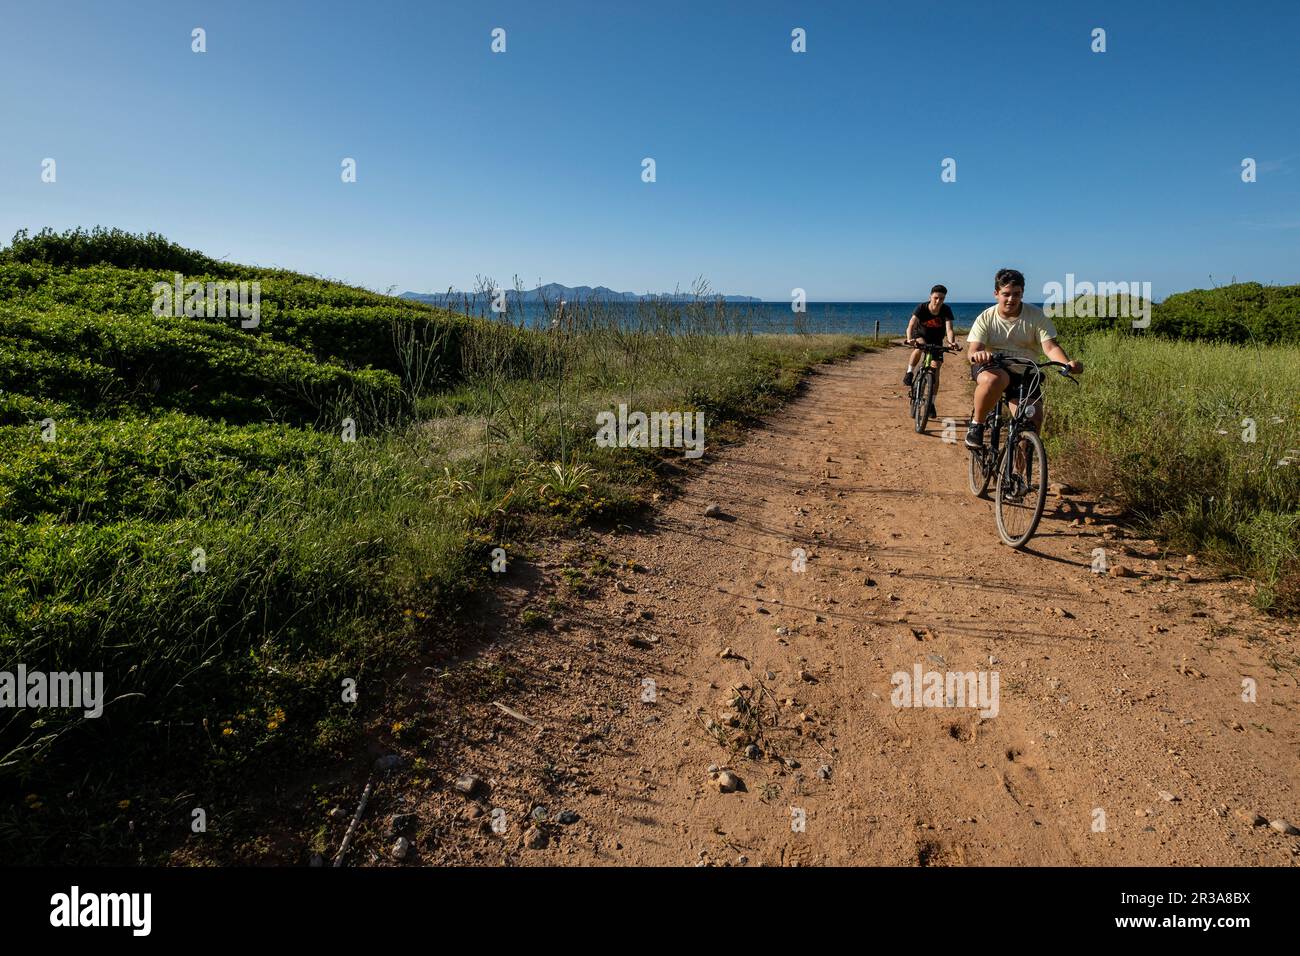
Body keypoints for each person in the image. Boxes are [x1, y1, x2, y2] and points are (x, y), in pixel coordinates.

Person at [964, 268, 1082, 449]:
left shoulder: (1035, 316)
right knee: (996, 378)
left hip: (1025, 372)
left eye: (1016, 294)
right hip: (993, 367)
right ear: (996, 294)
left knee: (1031, 423)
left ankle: (1019, 474)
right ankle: (976, 425)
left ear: (1022, 293)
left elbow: (1050, 347)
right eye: (1006, 294)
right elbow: (974, 349)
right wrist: (979, 354)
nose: (1011, 299)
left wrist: (1067, 363)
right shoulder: (986, 317)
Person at [901, 285, 956, 416]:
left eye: (941, 298)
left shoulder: (946, 309)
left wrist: (951, 342)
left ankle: (931, 403)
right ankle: (909, 372)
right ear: (930, 297)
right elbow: (911, 324)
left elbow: (949, 329)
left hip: (936, 340)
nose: (938, 301)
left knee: (936, 371)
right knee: (920, 346)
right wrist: (909, 339)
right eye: (936, 298)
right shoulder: (922, 308)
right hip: (920, 335)